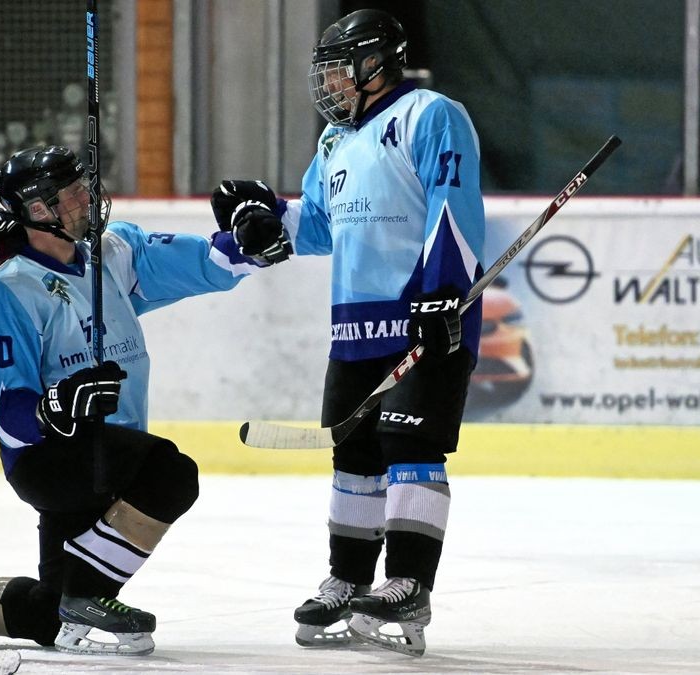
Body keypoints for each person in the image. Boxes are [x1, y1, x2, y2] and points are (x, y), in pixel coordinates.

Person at [0, 144, 291, 656]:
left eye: (83, 185)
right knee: (172, 473)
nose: (87, 197)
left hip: (112, 453)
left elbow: (205, 263)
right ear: (39, 210)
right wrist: (56, 406)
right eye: (72, 193)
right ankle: (86, 594)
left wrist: (248, 240)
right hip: (55, 461)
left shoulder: (116, 253)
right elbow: (9, 415)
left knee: (50, 614)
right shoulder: (10, 291)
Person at [210, 9, 485, 656]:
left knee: (407, 442)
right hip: (355, 327)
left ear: (375, 63)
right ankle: (347, 579)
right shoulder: (335, 141)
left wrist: (442, 289)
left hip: (425, 316)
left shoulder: (431, 114)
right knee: (353, 454)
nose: (329, 81)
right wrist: (262, 218)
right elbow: (319, 226)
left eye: (338, 67)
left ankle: (408, 584)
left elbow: (453, 198)